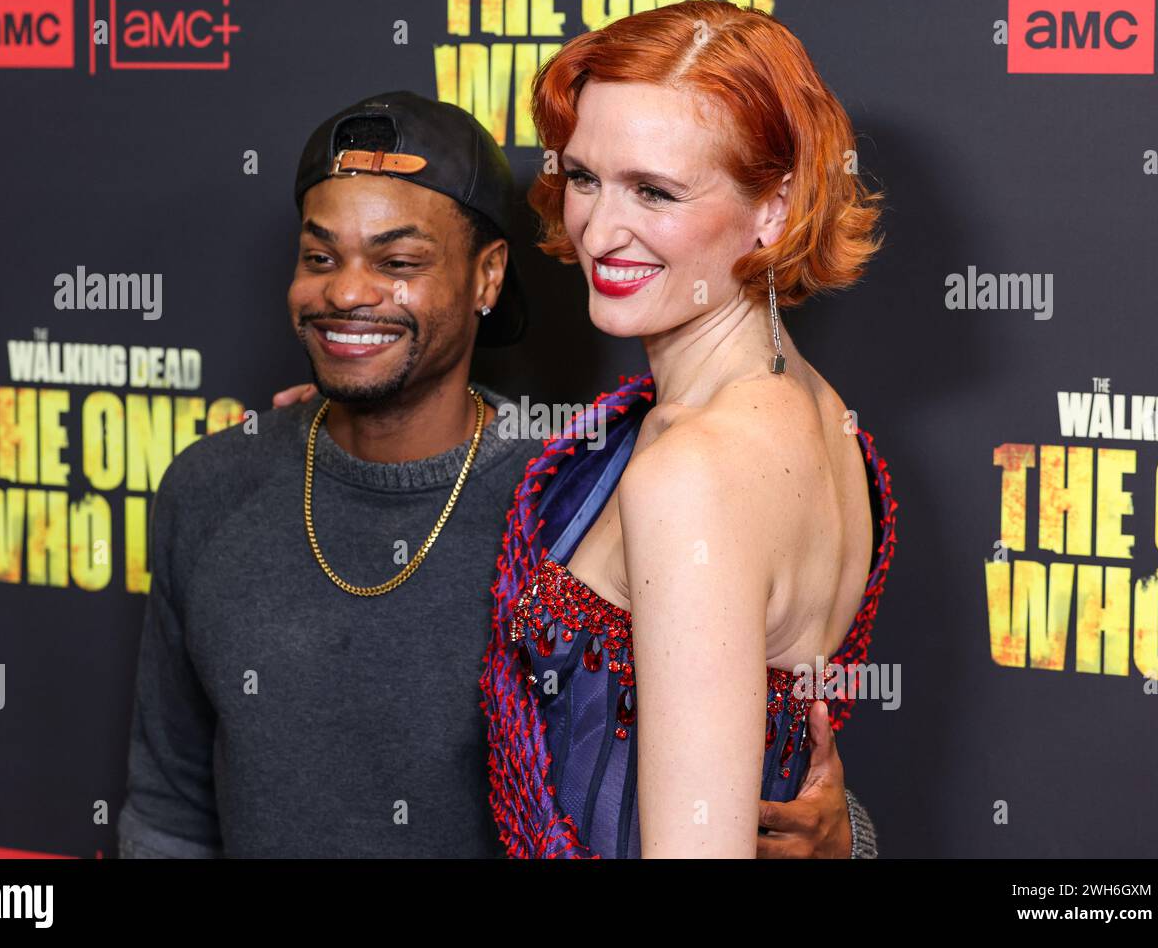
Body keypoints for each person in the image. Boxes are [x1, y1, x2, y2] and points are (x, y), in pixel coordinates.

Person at [119, 89, 877, 858]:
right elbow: (169, 811)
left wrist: (842, 841)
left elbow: (694, 764)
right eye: (321, 257)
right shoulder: (213, 486)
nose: (346, 291)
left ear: (488, 278)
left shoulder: (579, 494)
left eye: (399, 261)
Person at [479, 0, 898, 857]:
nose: (597, 228)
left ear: (774, 210)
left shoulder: (695, 473)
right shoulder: (822, 418)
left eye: (655, 191)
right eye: (586, 177)